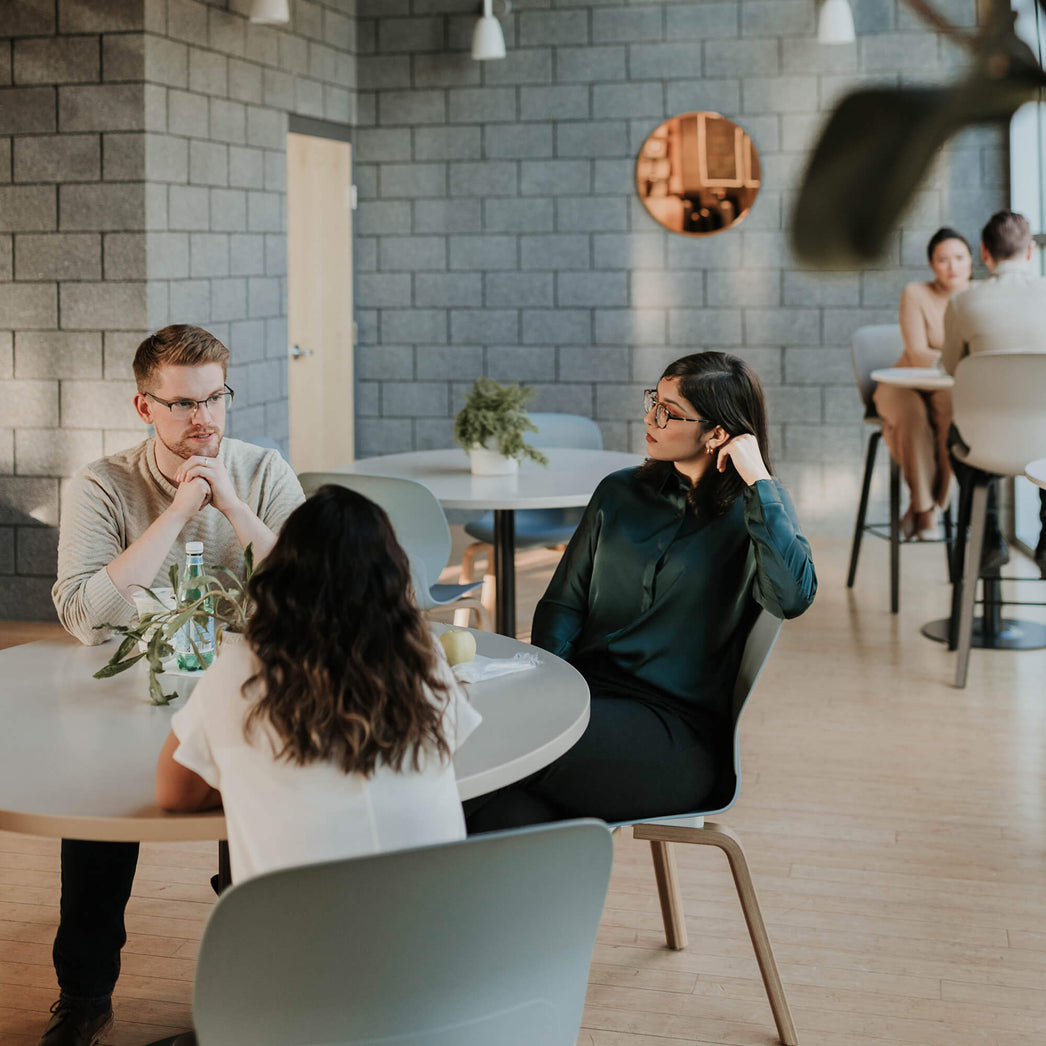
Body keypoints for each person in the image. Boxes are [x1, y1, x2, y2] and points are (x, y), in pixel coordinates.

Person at [43, 325, 305, 1046]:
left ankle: (267, 989)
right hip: (136, 689)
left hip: (251, 690)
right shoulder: (102, 483)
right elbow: (87, 619)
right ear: (143, 407)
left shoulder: (263, 470)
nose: (205, 419)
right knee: (100, 813)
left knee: (261, 812)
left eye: (217, 397)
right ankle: (85, 997)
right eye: (184, 404)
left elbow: (314, 597)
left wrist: (232, 508)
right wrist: (179, 510)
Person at [466, 352, 816, 833]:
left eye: (670, 412)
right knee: (504, 814)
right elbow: (562, 604)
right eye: (655, 400)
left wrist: (759, 479)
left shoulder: (754, 520)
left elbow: (794, 597)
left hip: (673, 735)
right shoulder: (618, 492)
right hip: (584, 701)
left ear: (718, 434)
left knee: (484, 749)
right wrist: (547, 691)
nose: (650, 418)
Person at [155, 486, 480, 886]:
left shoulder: (240, 672)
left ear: (282, 577)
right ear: (392, 576)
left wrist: (254, 778)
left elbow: (175, 793)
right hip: (441, 937)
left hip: (298, 943)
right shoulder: (423, 661)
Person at [941, 210, 1046, 573]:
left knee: (957, 442)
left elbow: (954, 368)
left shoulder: (962, 303)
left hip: (984, 445)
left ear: (984, 253)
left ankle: (988, 538)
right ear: (1030, 251)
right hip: (1045, 447)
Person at [872, 227, 972, 541]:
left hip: (946, 389)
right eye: (943, 259)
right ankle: (927, 512)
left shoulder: (977, 298)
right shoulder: (916, 292)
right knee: (913, 420)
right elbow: (916, 354)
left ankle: (922, 507)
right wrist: (962, 359)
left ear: (973, 260)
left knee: (954, 421)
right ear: (931, 264)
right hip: (903, 383)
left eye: (959, 258)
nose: (952, 266)